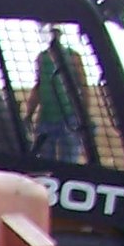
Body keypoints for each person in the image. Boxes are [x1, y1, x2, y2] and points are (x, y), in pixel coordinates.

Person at [28, 36, 88, 164]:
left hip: (69, 118)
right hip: (46, 117)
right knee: (45, 163)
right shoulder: (41, 58)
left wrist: (84, 114)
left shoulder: (73, 56)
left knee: (69, 162)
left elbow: (83, 86)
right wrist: (29, 114)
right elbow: (39, 85)